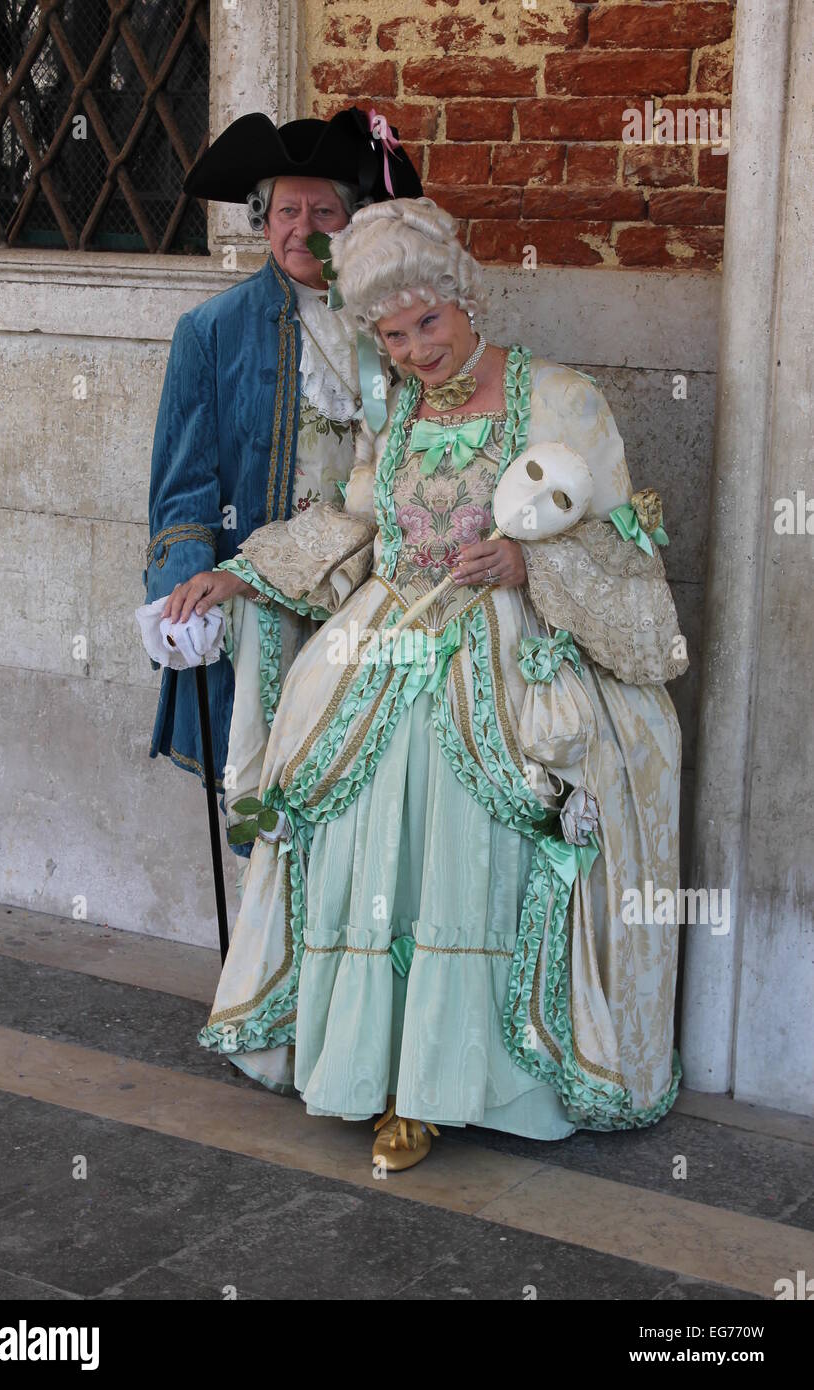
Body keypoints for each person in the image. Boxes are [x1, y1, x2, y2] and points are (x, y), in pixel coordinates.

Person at [197, 198, 689, 1167]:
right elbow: (356, 524)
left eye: (428, 322)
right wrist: (246, 570)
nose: (416, 350)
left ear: (464, 296)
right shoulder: (392, 409)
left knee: (476, 819)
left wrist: (526, 562)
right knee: (349, 799)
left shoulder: (554, 397)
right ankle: (375, 1065)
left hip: (504, 646)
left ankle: (450, 1080)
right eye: (392, 334)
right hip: (392, 632)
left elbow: (620, 537)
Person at [144, 107, 422, 834]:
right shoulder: (211, 332)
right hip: (265, 601)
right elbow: (184, 487)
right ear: (263, 221)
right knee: (274, 801)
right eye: (288, 210)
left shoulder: (398, 326)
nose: (304, 228)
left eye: (324, 210)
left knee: (368, 802)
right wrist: (179, 598)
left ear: (352, 219)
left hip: (374, 592)